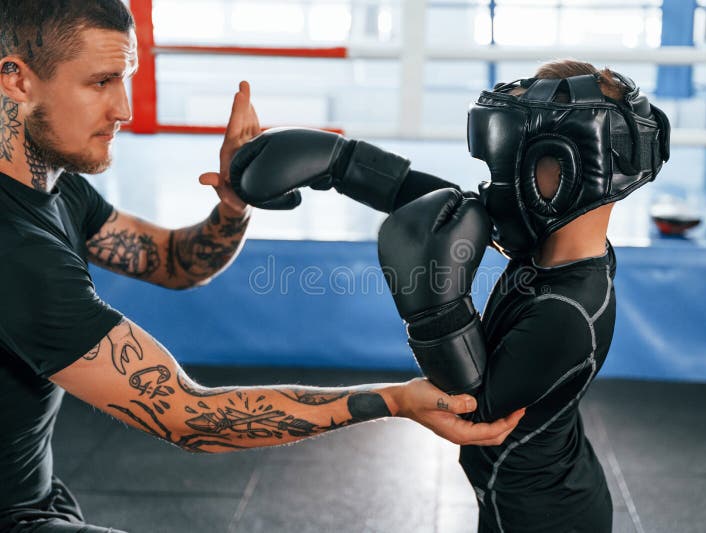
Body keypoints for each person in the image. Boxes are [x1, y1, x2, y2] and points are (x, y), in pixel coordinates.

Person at [0, 2, 525, 532]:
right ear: (16, 80)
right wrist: (394, 400)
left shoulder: (56, 189)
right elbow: (189, 417)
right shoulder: (15, 251)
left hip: (37, 499)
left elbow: (175, 262)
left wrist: (233, 205)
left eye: (125, 78)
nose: (124, 109)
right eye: (100, 82)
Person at [231, 59, 670, 532]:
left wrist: (432, 309)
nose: (499, 183)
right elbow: (441, 205)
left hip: (541, 517)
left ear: (576, 171)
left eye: (519, 162)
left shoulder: (570, 314)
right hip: (533, 489)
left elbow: (472, 408)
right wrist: (341, 163)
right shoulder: (558, 242)